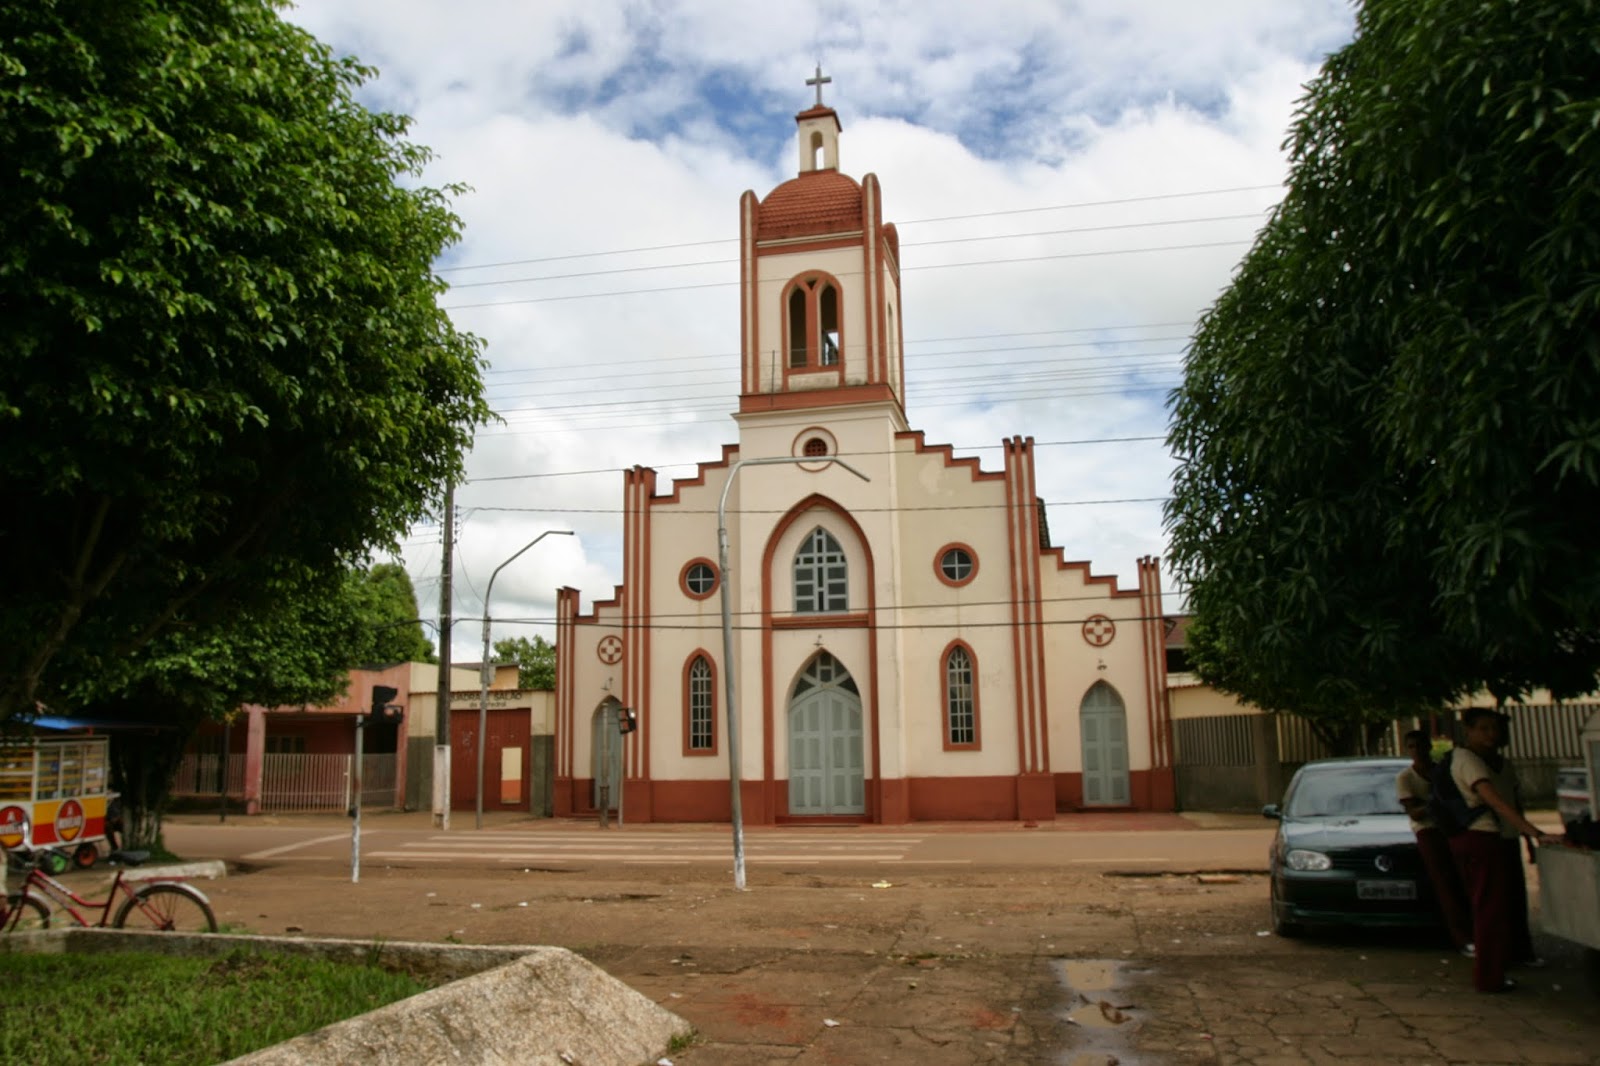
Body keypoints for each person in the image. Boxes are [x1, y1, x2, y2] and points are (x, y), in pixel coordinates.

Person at [1447, 708, 1554, 993]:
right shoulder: (1467, 760)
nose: (1491, 735)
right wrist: (1535, 831)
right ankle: (1489, 976)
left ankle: (1505, 962)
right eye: (1483, 728)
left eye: (1494, 729)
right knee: (1489, 909)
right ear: (1468, 730)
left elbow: (1513, 801)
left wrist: (1527, 838)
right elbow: (1495, 801)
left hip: (1500, 838)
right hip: (1480, 837)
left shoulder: (1499, 762)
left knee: (1504, 906)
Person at [1394, 729, 1473, 955]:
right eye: (1412, 746)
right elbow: (1415, 813)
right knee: (1445, 884)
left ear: (1429, 746)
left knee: (1463, 880)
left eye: (1420, 745)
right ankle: (1462, 937)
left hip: (1451, 829)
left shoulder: (1442, 771)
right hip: (1428, 831)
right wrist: (1434, 804)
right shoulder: (1406, 777)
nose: (1417, 751)